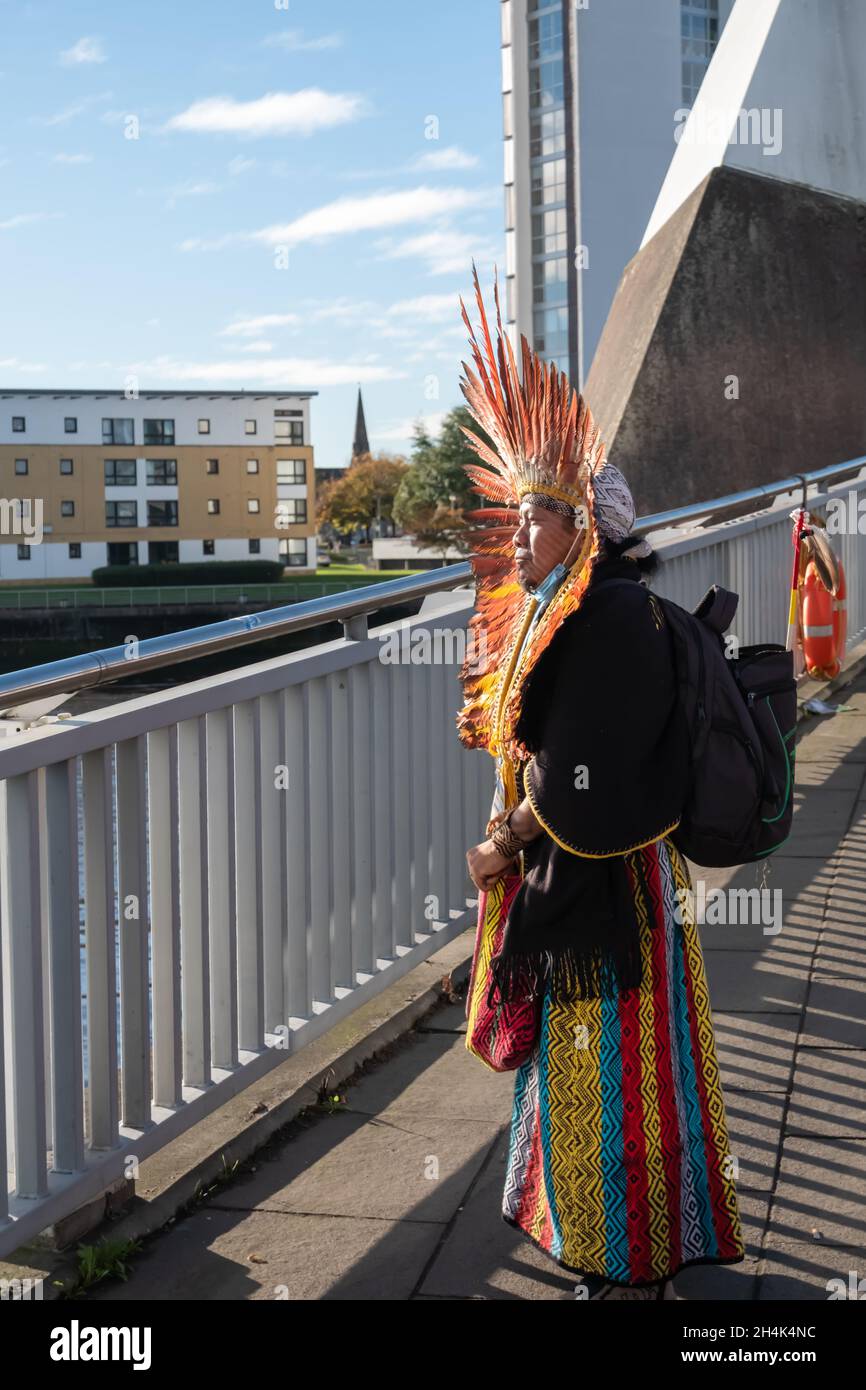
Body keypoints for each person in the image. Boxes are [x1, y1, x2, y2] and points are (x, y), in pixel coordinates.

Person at [456, 269, 746, 1301]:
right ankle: (612, 1256)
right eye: (521, 513)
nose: (521, 532)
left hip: (605, 910)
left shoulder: (610, 618)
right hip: (597, 903)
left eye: (540, 516)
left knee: (610, 1090)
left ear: (587, 523)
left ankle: (622, 1261)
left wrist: (511, 837)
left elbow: (594, 774)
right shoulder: (579, 608)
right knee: (593, 1087)